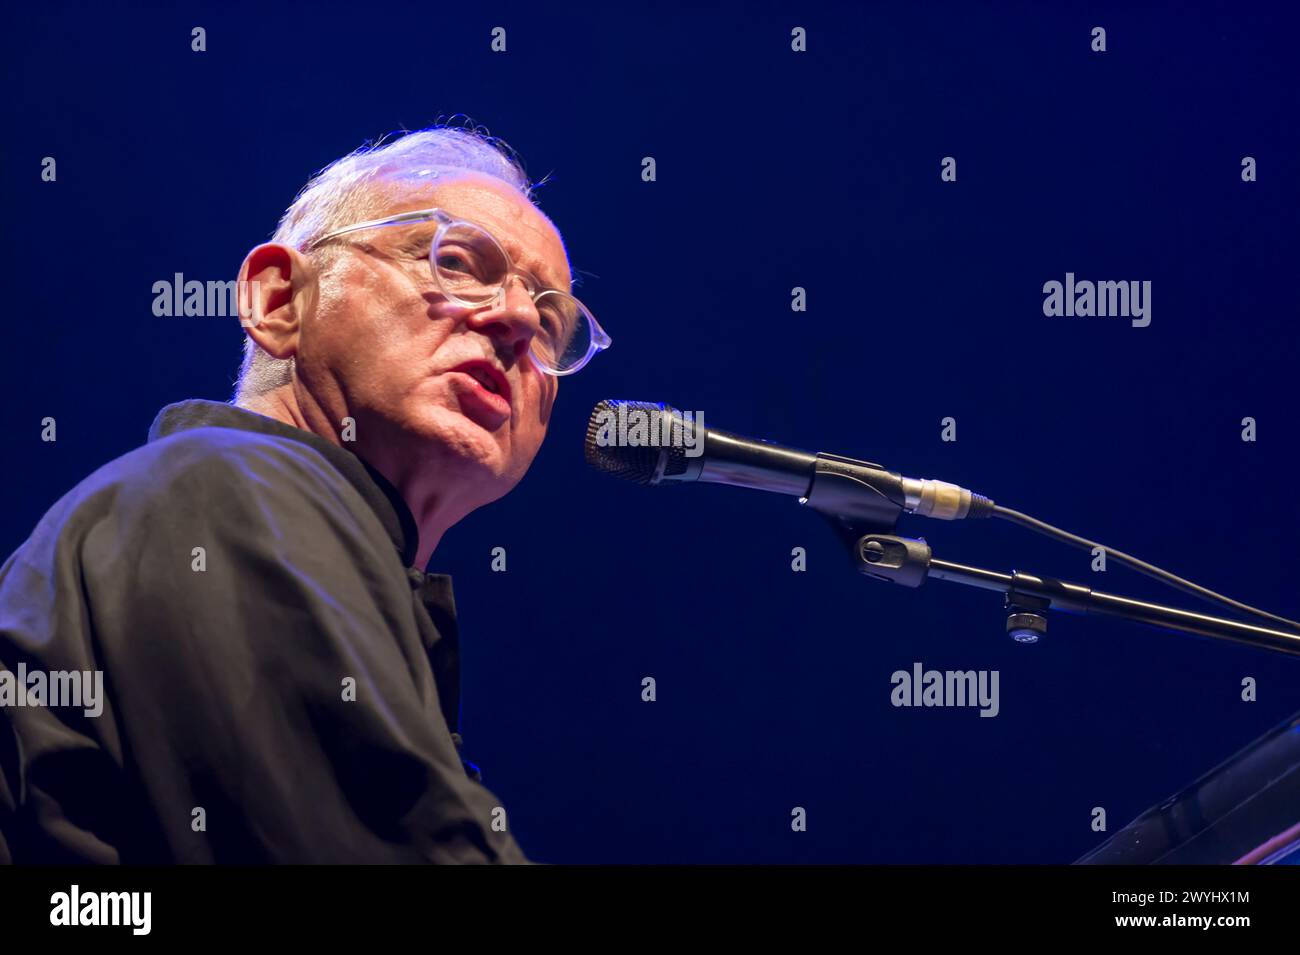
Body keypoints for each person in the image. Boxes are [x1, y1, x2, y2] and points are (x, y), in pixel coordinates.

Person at [0, 123, 610, 863]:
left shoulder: (278, 524)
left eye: (550, 322)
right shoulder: (222, 487)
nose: (517, 319)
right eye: (455, 261)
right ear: (279, 300)